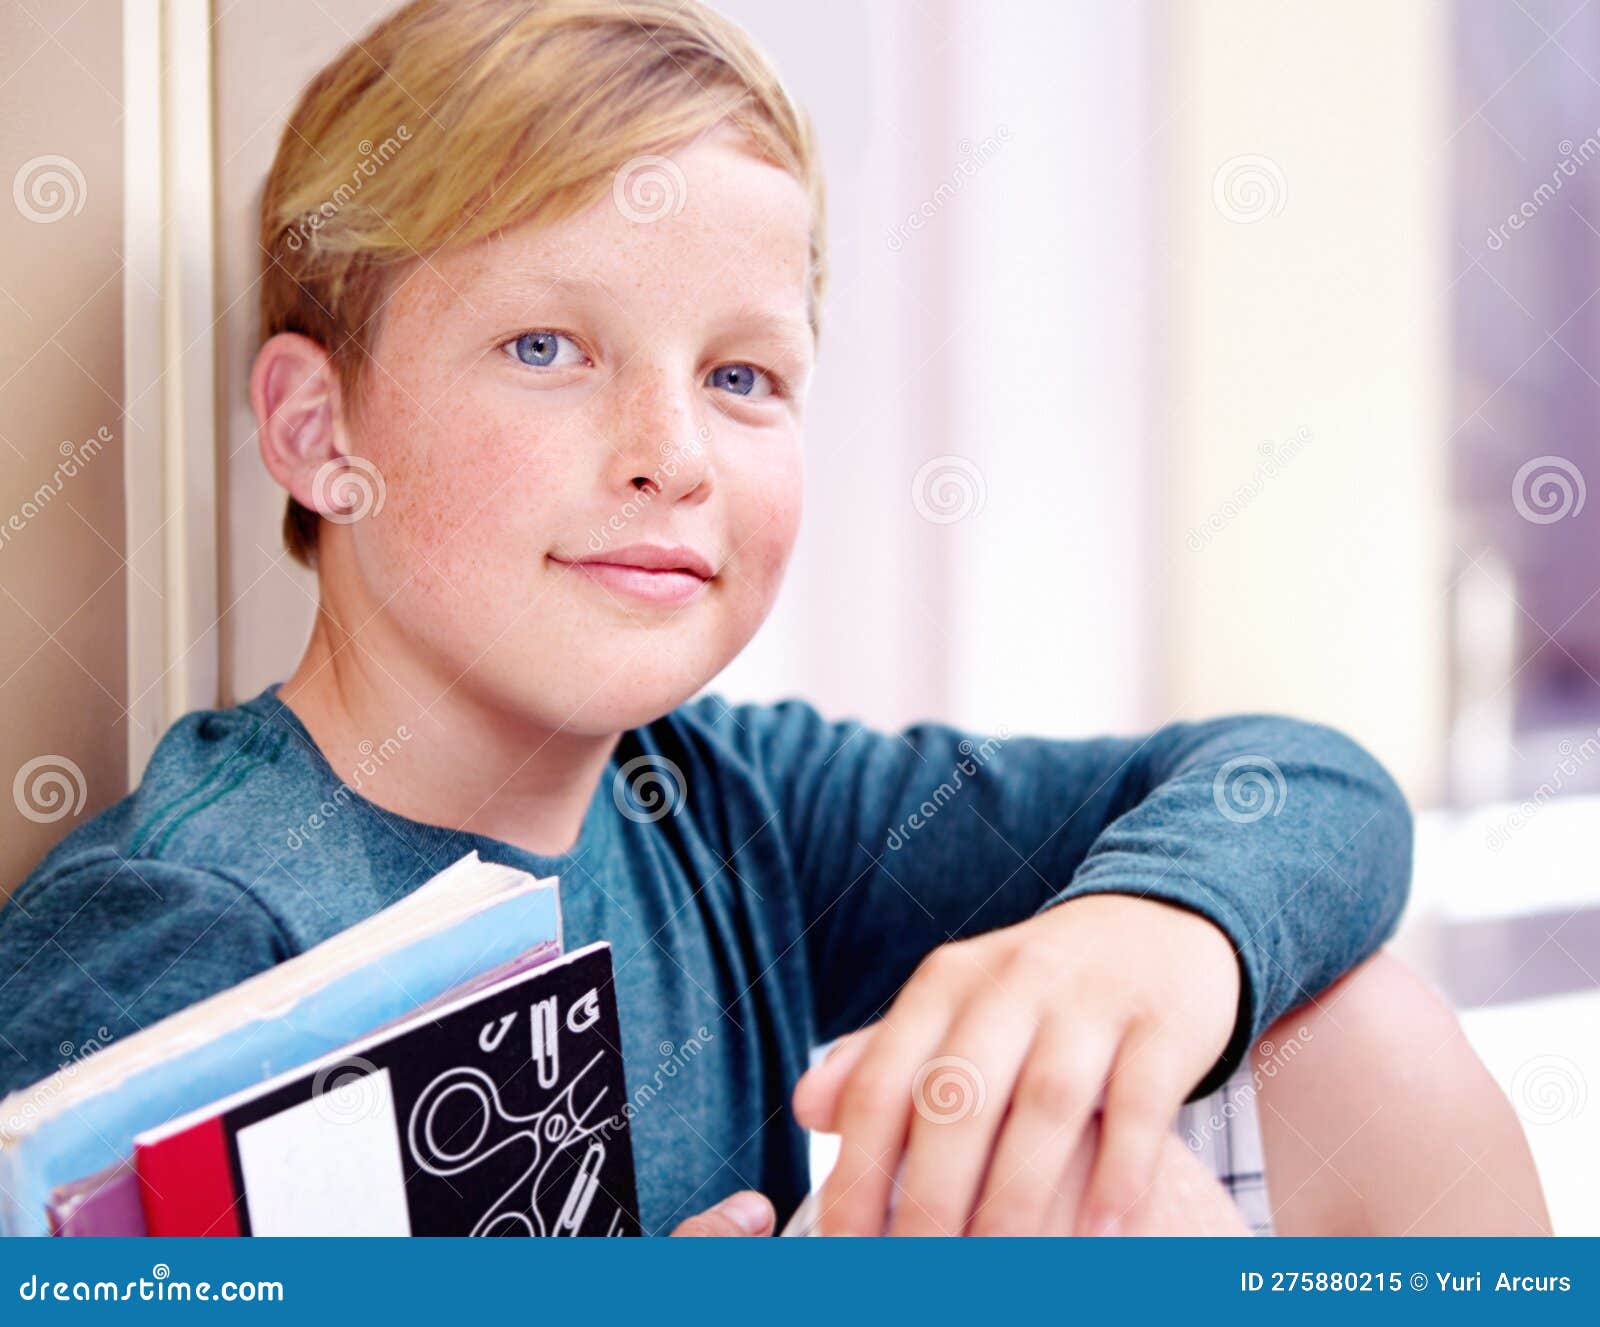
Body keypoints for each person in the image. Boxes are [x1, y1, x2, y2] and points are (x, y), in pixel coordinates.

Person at [0, 0, 1544, 1237]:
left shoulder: (724, 802)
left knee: (1355, 1046)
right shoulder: (181, 935)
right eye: (548, 346)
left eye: (742, 376)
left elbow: (1311, 788)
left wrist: (1152, 941)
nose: (671, 451)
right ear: (318, 431)